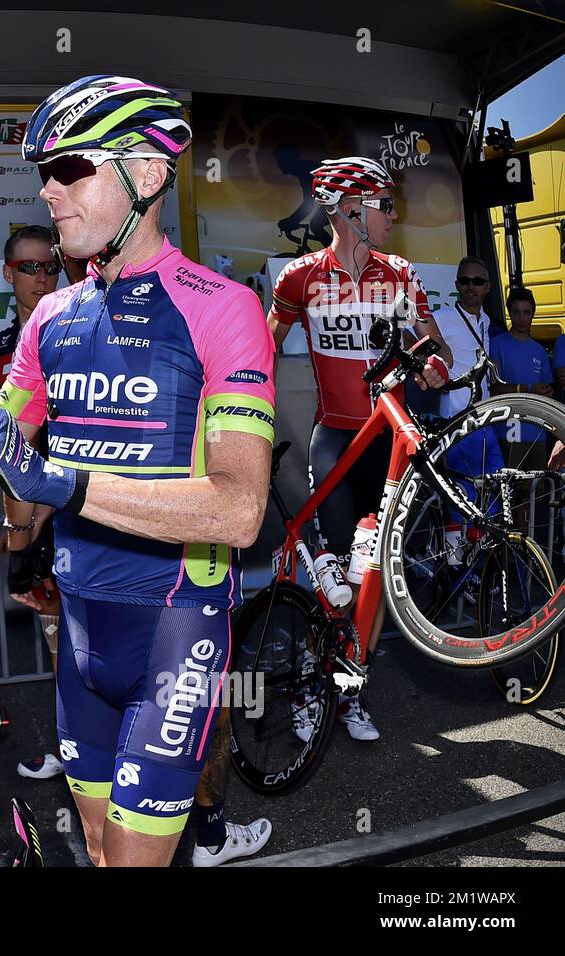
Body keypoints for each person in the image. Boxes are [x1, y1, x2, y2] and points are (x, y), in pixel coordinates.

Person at [0, 75, 276, 867]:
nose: (49, 192)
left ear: (148, 174)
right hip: (80, 631)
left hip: (175, 631)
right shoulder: (51, 315)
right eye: (42, 174)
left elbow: (239, 509)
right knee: (93, 849)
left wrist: (58, 481)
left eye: (70, 168)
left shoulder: (222, 307)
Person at [268, 155, 453, 742]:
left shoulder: (398, 273)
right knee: (334, 579)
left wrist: (434, 364)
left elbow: (433, 342)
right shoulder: (299, 277)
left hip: (385, 443)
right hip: (335, 439)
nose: (393, 216)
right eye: (384, 204)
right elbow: (259, 354)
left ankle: (351, 689)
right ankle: (306, 683)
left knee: (372, 574)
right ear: (350, 209)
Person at [0, 224, 65, 781]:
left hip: (82, 497)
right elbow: (12, 438)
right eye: (29, 268)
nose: (41, 277)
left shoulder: (81, 323)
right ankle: (74, 748)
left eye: (50, 267)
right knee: (57, 634)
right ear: (8, 274)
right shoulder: (1, 347)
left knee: (87, 638)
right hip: (34, 507)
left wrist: (34, 516)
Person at [434, 256, 505, 561]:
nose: (470, 287)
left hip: (484, 419)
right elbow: (411, 333)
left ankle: (475, 564)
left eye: (477, 281)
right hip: (456, 420)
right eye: (464, 281)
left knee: (493, 494)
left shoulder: (487, 322)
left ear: (488, 287)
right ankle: (457, 564)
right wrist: (437, 356)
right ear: (456, 285)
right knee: (463, 497)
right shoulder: (444, 317)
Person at [490, 287, 554, 533]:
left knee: (531, 493)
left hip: (535, 430)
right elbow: (494, 387)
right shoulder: (497, 344)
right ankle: (506, 544)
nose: (521, 317)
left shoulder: (538, 350)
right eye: (515, 312)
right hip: (509, 428)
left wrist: (544, 391)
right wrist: (528, 388)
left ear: (533, 315)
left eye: (526, 312)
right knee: (508, 491)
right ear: (509, 313)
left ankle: (523, 546)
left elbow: (546, 386)